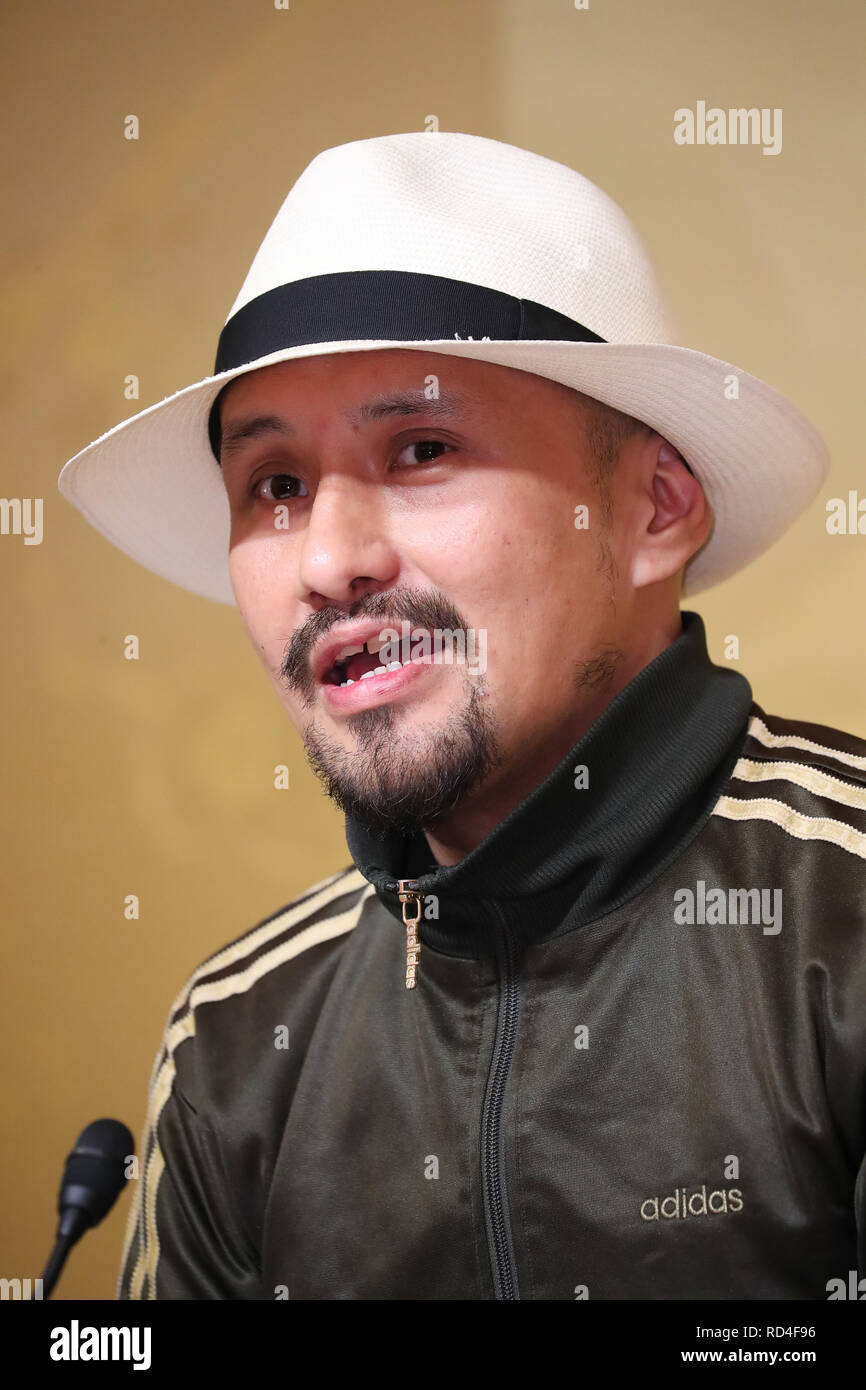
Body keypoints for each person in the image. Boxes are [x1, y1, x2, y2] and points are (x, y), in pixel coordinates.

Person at [58, 131, 865, 1300]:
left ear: (653, 506)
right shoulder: (234, 1043)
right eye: (274, 487)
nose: (329, 561)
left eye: (422, 448)